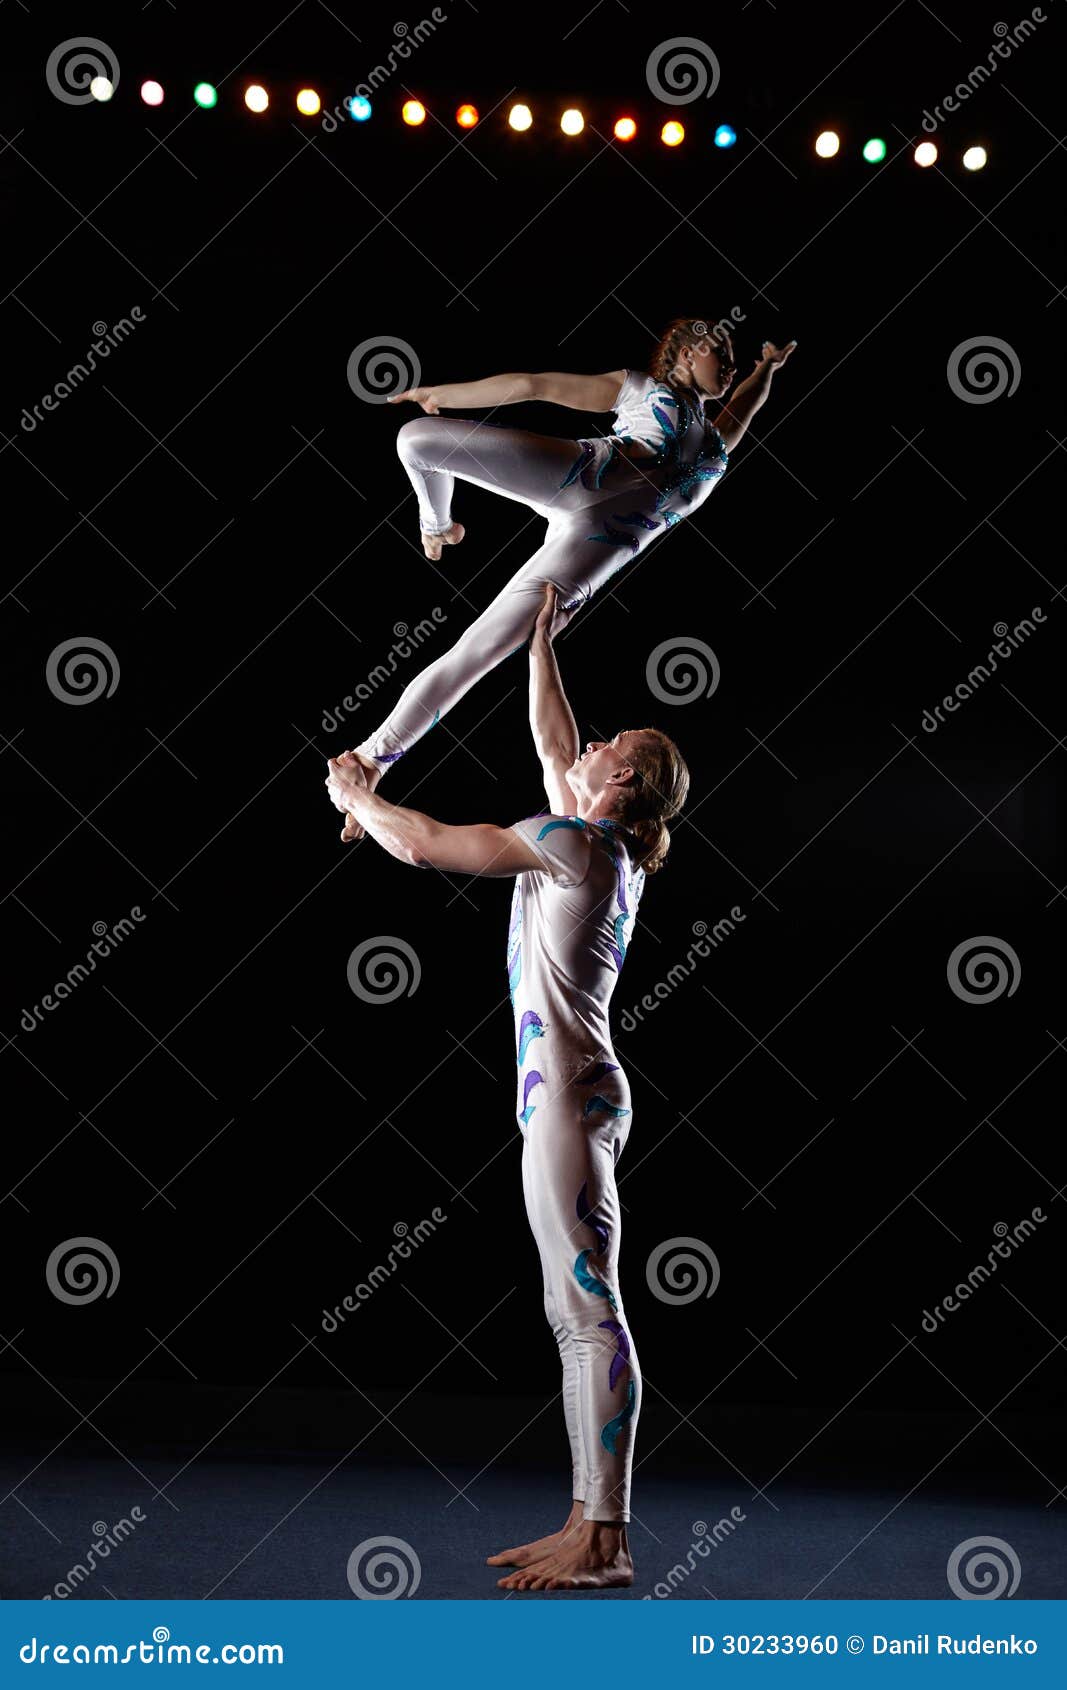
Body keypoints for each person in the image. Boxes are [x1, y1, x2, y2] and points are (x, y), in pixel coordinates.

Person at [325, 583, 690, 1591]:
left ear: (622, 778)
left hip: (571, 1094)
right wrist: (535, 644)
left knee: (588, 1305)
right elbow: (550, 739)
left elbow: (429, 843)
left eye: (607, 741)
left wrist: (358, 795)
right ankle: (585, 1520)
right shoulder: (597, 844)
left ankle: (607, 1541)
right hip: (569, 1093)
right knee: (566, 1308)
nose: (590, 741)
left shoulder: (574, 847)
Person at [339, 318, 793, 835]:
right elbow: (534, 384)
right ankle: (438, 525)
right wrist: (438, 394)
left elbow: (745, 406)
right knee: (416, 439)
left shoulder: (715, 444)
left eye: (735, 359)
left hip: (585, 555)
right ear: (687, 353)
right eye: (721, 351)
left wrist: (767, 369)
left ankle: (372, 761)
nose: (730, 365)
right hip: (577, 473)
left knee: (476, 653)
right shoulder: (642, 390)